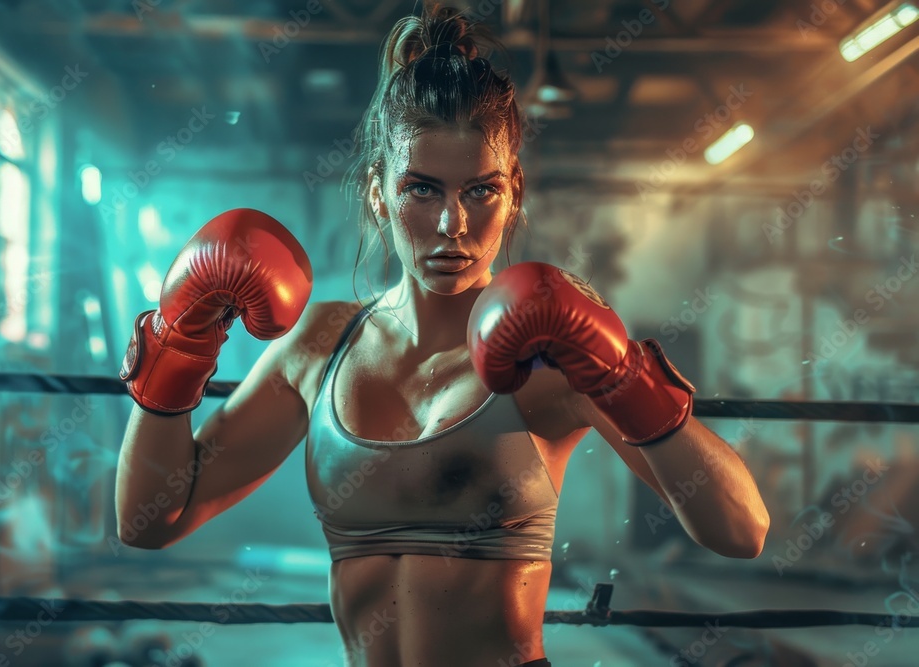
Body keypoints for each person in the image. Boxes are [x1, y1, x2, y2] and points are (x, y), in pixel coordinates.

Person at [115, 5, 771, 666]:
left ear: (514, 191)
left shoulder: (549, 360)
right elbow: (150, 519)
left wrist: (623, 373)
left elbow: (742, 529)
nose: (452, 224)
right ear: (378, 193)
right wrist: (177, 345)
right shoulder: (322, 346)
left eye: (480, 190)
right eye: (422, 189)